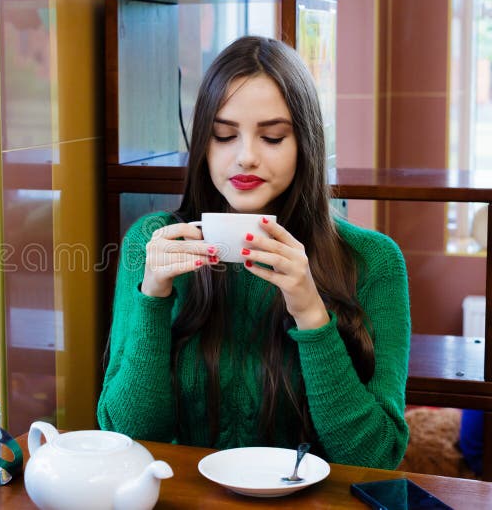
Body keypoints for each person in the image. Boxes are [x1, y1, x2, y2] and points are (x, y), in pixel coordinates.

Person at [97, 36, 411, 469]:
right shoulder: (153, 243)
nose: (245, 157)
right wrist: (152, 299)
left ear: (305, 143)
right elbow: (125, 438)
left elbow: (376, 458)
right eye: (223, 135)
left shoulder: (373, 261)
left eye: (273, 136)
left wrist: (311, 313)